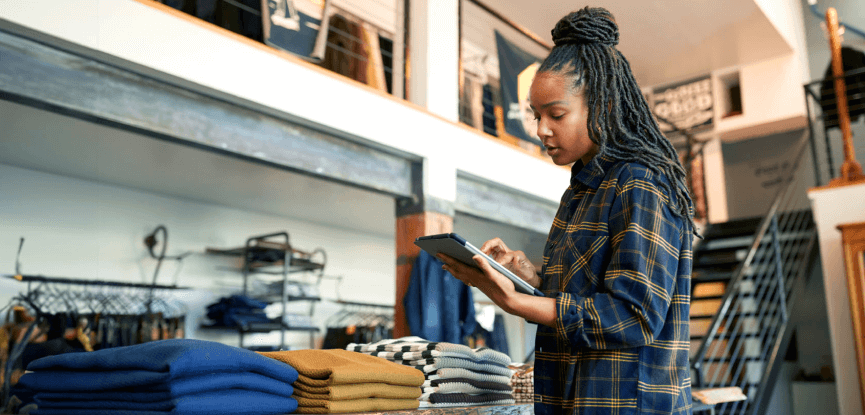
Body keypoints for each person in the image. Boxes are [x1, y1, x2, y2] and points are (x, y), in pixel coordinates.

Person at [437, 6, 696, 415]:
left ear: (604, 104)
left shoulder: (641, 183)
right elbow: (577, 302)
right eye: (537, 115)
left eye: (556, 114)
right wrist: (526, 278)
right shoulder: (581, 191)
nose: (541, 129)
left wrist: (514, 302)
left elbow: (633, 317)